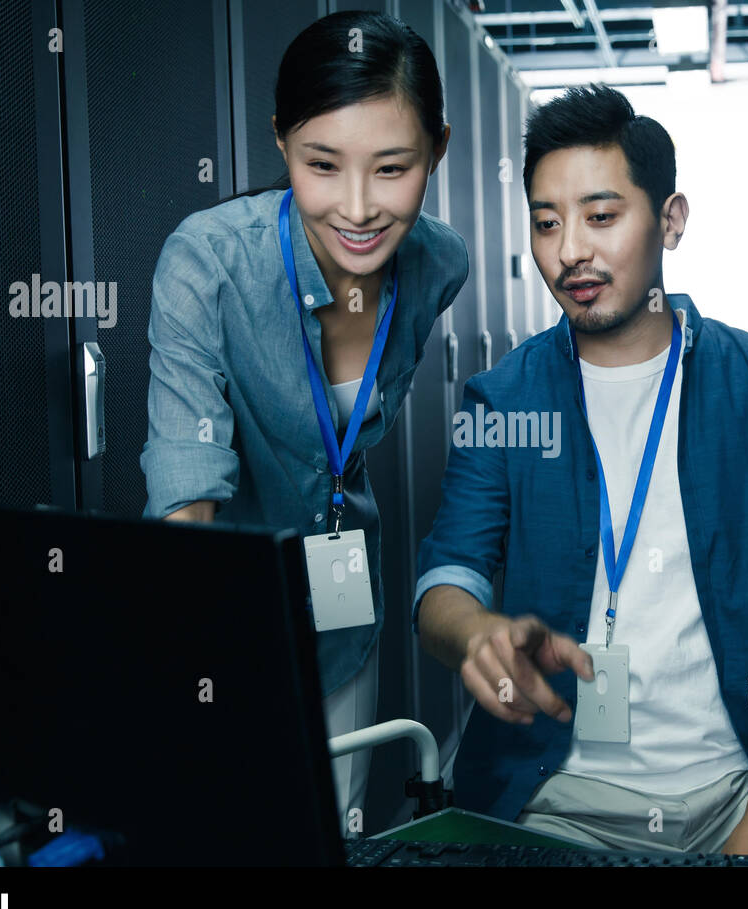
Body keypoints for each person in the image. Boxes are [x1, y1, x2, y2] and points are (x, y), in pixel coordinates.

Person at [413, 84, 748, 866]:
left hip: (737, 787)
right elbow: (446, 577)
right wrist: (476, 631)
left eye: (601, 217)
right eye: (547, 223)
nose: (570, 248)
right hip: (556, 802)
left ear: (670, 220)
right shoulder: (504, 398)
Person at [140, 11, 468, 839]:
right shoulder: (208, 261)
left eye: (393, 168)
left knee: (335, 835)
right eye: (323, 165)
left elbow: (351, 436)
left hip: (340, 613)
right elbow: (186, 487)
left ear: (439, 151)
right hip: (218, 619)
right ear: (281, 143)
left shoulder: (440, 264)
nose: (358, 209)